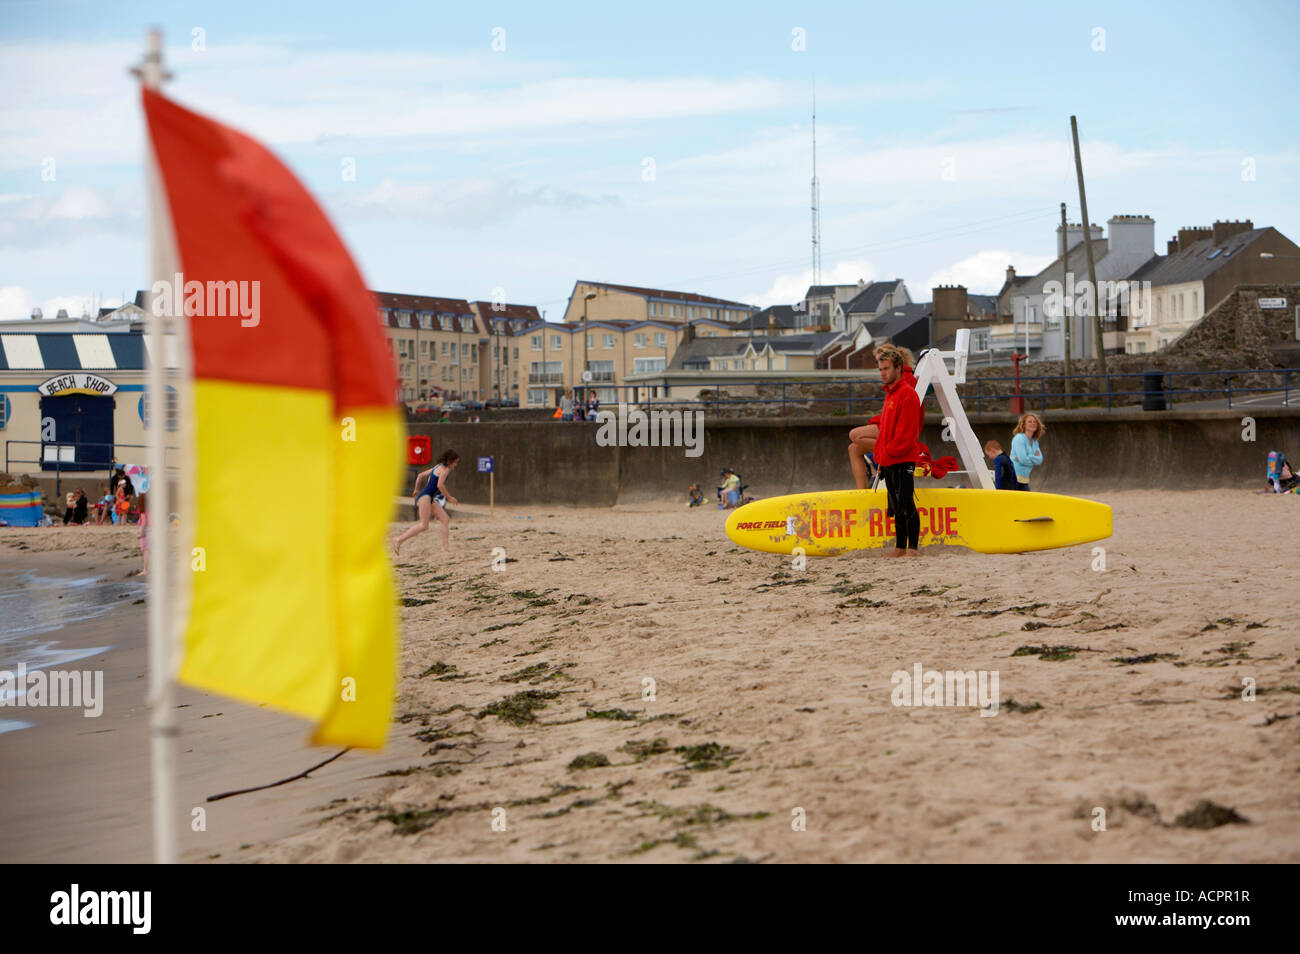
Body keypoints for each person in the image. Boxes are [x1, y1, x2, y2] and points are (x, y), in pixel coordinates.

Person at [871, 344, 923, 557]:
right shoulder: (890, 395)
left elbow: (906, 433)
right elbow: (884, 430)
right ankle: (900, 547)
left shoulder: (907, 394)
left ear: (898, 368)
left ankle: (912, 549)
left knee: (906, 503)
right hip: (890, 459)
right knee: (895, 504)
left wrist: (889, 452)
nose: (883, 373)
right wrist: (881, 457)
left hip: (903, 459)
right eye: (881, 369)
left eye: (886, 369)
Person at [847, 345, 916, 490]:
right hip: (888, 425)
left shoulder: (906, 379)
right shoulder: (896, 380)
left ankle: (881, 458)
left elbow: (900, 413)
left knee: (855, 435)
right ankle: (861, 492)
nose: (881, 368)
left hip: (895, 431)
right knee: (853, 449)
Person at [394, 450, 460, 555]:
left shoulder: (437, 467)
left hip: (427, 497)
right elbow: (440, 485)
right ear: (449, 461)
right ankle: (398, 540)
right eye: (455, 462)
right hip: (425, 497)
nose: (455, 465)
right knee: (424, 525)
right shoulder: (445, 470)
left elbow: (420, 476)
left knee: (445, 519)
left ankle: (445, 548)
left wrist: (416, 490)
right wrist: (449, 497)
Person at [1010, 412, 1045, 491]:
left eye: (1035, 421)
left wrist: (1029, 456)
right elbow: (1023, 460)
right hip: (1014, 477)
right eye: (1030, 421)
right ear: (1024, 425)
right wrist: (1033, 458)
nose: (1033, 423)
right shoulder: (1019, 438)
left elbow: (1040, 460)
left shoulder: (1035, 441)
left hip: (1024, 479)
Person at [136, 492, 150, 575]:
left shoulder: (143, 512)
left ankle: (146, 569)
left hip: (147, 532)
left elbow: (144, 523)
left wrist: (140, 534)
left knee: (146, 551)